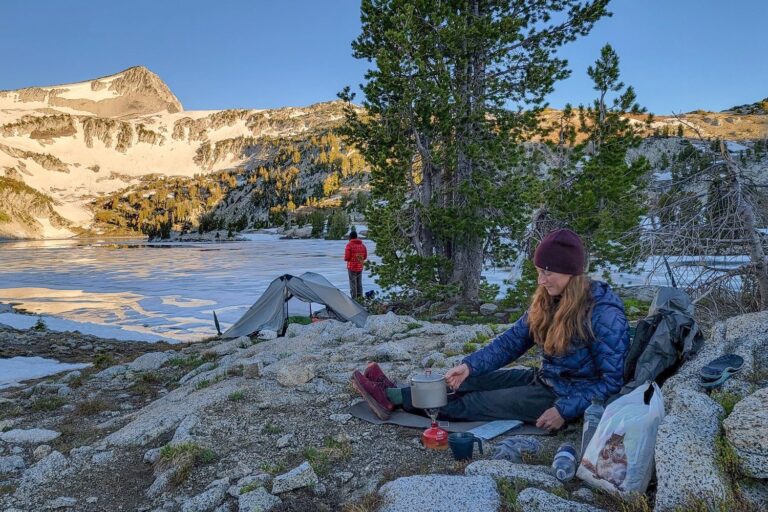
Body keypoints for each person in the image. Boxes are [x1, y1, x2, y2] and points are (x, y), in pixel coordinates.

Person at [351, 228, 630, 431]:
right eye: (538, 271)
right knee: (461, 383)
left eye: (548, 272)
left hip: (565, 396)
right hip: (543, 379)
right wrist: (469, 366)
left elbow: (611, 383)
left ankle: (391, 400)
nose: (541, 279)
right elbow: (510, 343)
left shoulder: (603, 313)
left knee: (472, 403)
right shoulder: (549, 300)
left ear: (571, 272)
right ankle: (396, 394)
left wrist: (564, 411)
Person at [344, 229, 367, 299]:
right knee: (359, 283)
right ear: (357, 237)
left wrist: (345, 258)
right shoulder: (362, 245)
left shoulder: (349, 245)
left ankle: (354, 299)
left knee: (353, 284)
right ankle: (360, 298)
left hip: (351, 267)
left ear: (350, 237)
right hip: (360, 267)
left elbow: (347, 257)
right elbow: (365, 257)